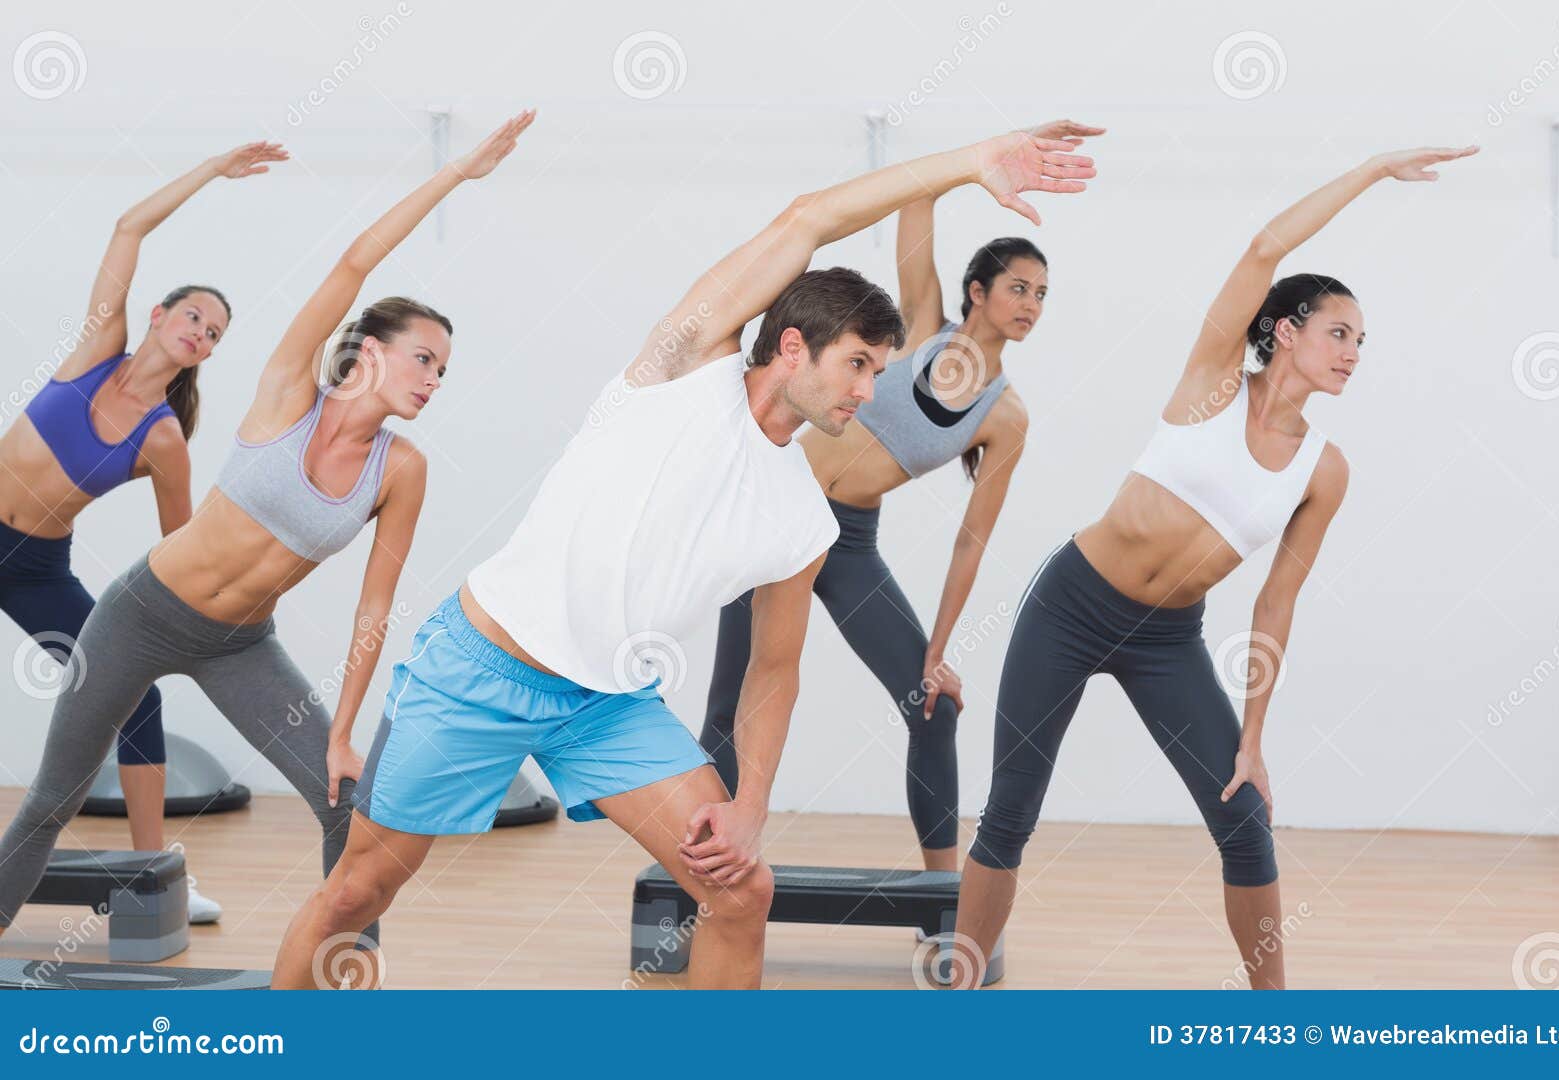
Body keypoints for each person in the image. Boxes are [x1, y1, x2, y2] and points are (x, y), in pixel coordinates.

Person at [270, 121, 1096, 990]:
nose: (869, 390)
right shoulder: (682, 369)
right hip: (483, 665)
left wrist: (750, 807)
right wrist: (971, 164)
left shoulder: (803, 519)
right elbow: (808, 219)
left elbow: (774, 670)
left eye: (878, 371)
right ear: (792, 346)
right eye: (857, 364)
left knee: (740, 890)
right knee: (356, 893)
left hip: (606, 706)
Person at [0, 112, 534, 955]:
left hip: (241, 646)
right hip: (139, 613)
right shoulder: (290, 390)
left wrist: (343, 733)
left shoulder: (401, 470)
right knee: (51, 800)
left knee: (343, 801)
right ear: (371, 351)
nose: (435, 379)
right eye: (424, 358)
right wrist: (455, 175)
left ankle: (341, 972)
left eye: (444, 370)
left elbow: (374, 609)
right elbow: (355, 260)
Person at [952, 145, 1478, 989]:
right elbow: (1266, 246)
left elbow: (1276, 605)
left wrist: (1254, 736)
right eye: (1339, 332)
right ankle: (957, 994)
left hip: (1168, 639)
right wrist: (1372, 171)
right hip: (1072, 605)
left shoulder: (1325, 470)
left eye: (1361, 341)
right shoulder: (1214, 382)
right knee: (1008, 815)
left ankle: (1273, 1011)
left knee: (1245, 822)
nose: (1353, 352)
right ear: (1286, 330)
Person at [701, 120, 1104, 871]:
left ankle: (942, 901)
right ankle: (703, 883)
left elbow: (972, 541)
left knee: (932, 708)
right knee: (729, 708)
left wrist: (939, 650)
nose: (1031, 304)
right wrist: (973, 164)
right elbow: (915, 205)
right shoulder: (920, 326)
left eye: (1043, 295)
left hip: (847, 542)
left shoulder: (1005, 417)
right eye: (1019, 287)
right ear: (978, 291)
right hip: (775, 512)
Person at [0, 141, 286, 922]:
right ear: (159, 317)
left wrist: (204, 620)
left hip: (33, 570)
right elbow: (128, 226)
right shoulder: (97, 350)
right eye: (194, 314)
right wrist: (214, 169)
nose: (202, 331)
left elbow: (178, 551)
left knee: (137, 702)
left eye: (215, 332)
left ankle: (153, 879)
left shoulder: (163, 439)